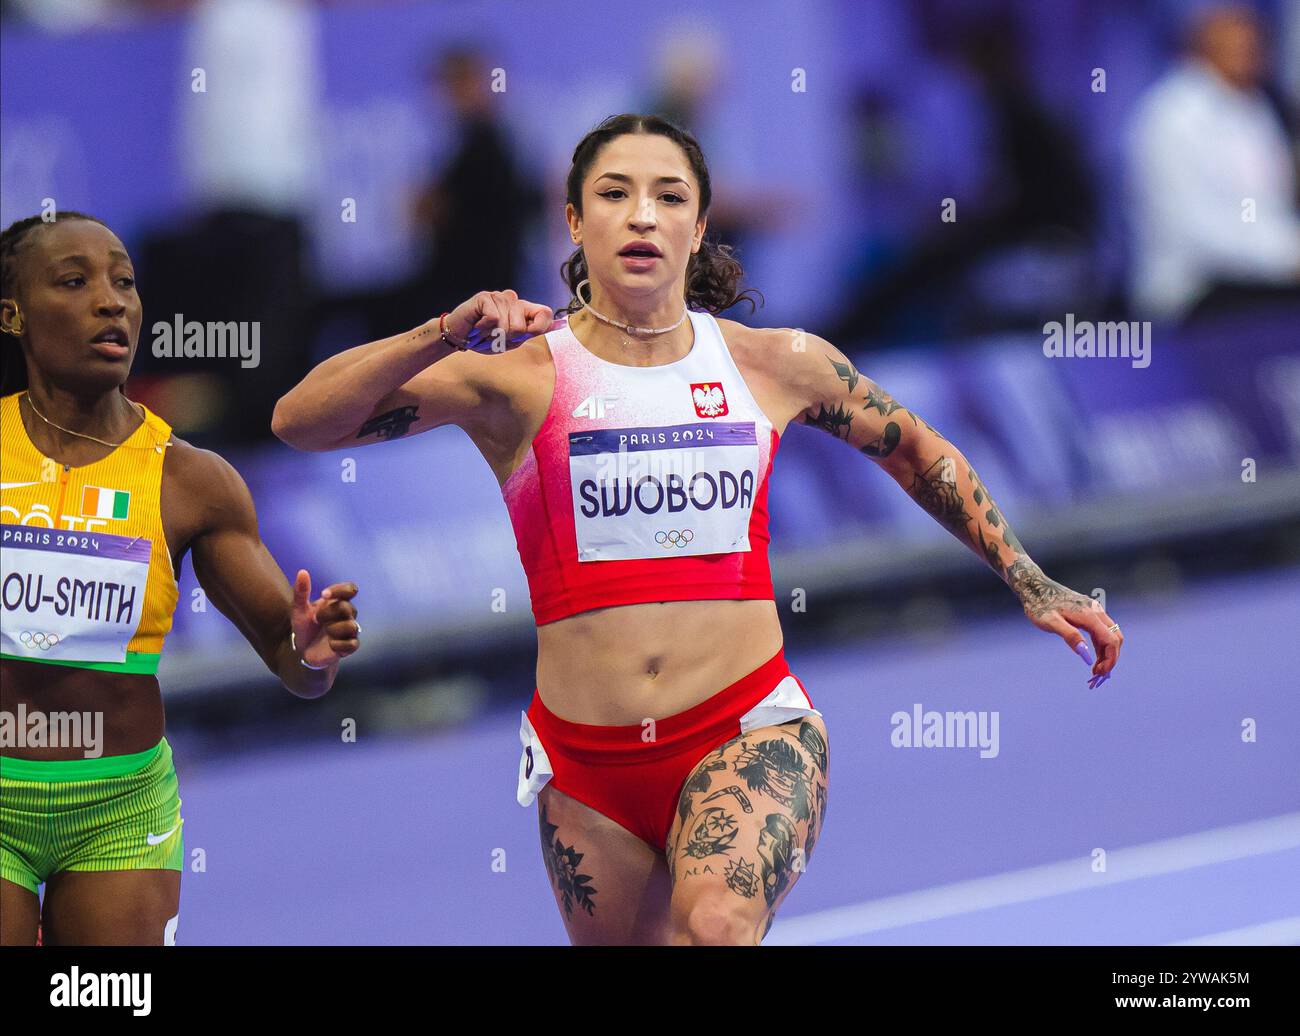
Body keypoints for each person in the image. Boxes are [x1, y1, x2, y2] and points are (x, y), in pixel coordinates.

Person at [272, 114, 1123, 946]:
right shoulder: (520, 381)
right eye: (614, 193)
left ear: (698, 224)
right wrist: (442, 332)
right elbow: (301, 422)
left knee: (715, 927)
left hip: (746, 730)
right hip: (587, 773)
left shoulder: (771, 363)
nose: (643, 214)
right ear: (573, 220)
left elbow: (920, 455)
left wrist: (1030, 579)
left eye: (668, 196)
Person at [0, 212, 361, 946]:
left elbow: (294, 666)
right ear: (12, 315)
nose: (112, 301)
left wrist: (311, 649)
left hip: (119, 815)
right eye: (75, 282)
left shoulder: (191, 482)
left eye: (125, 283)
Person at [1126, 3, 1300, 321]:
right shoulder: (1171, 116)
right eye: (1234, 46)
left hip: (1261, 276)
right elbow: (1197, 228)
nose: (1248, 54)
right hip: (1194, 289)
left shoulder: (1256, 108)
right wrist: (1287, 256)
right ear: (1202, 48)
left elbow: (1265, 211)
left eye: (1253, 45)